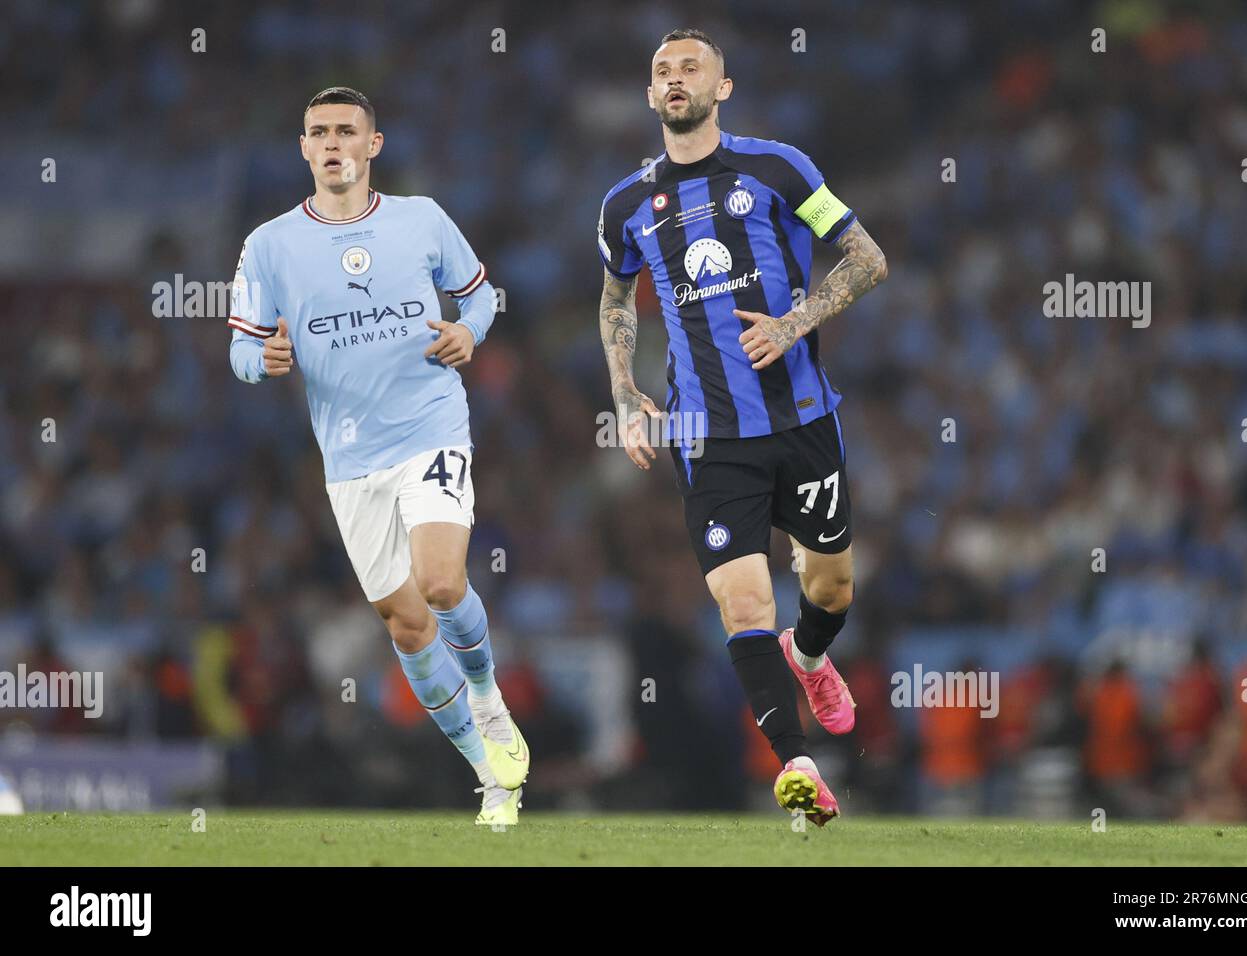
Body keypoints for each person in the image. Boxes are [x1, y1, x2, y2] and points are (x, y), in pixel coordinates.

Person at [596, 30, 888, 824]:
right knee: (743, 605)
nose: (675, 78)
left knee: (830, 586)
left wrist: (797, 321)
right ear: (650, 96)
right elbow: (617, 298)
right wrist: (625, 393)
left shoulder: (781, 169)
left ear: (723, 88)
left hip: (801, 420)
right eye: (662, 71)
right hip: (705, 434)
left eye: (692, 67)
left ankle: (813, 653)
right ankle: (797, 765)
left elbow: (866, 258)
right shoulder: (626, 204)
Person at [227, 87, 528, 825]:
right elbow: (238, 347)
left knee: (442, 582)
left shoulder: (421, 219)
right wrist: (258, 360)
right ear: (304, 148)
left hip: (430, 424)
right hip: (350, 459)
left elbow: (483, 298)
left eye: (346, 132)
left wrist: (471, 333)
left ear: (373, 145)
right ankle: (491, 776)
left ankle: (489, 699)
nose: (332, 144)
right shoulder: (269, 244)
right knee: (405, 625)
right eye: (318, 132)